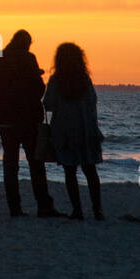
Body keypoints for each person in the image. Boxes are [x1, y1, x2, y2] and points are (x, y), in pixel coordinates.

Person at [0, 30, 61, 218]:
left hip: (4, 120)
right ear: (27, 43)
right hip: (27, 120)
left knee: (10, 165)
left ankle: (15, 209)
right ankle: (43, 206)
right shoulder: (28, 58)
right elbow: (39, 89)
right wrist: (36, 75)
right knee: (36, 164)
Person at [43, 42, 104, 221]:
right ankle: (97, 210)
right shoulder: (84, 79)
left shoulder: (56, 80)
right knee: (90, 171)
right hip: (85, 129)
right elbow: (93, 102)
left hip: (64, 131)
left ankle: (77, 211)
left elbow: (48, 104)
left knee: (70, 172)